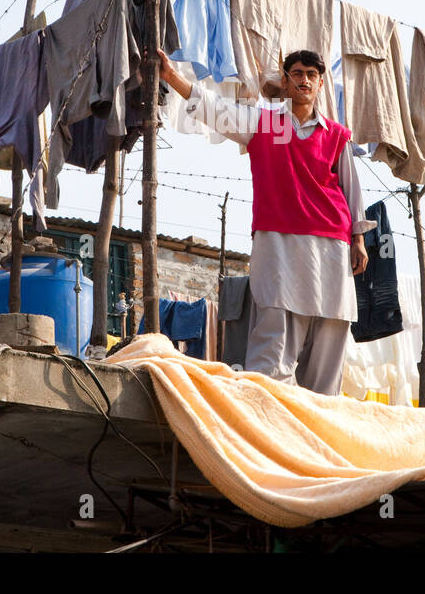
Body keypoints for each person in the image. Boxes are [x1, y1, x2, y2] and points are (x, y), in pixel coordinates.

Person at [156, 47, 374, 395]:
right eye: (297, 73)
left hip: (332, 245)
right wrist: (173, 78)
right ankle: (266, 412)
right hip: (278, 242)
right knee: (274, 338)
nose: (304, 80)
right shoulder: (263, 122)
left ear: (320, 84)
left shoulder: (336, 135)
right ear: (285, 82)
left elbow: (351, 188)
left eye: (311, 75)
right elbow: (216, 110)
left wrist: (359, 239)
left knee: (330, 337)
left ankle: (319, 421)